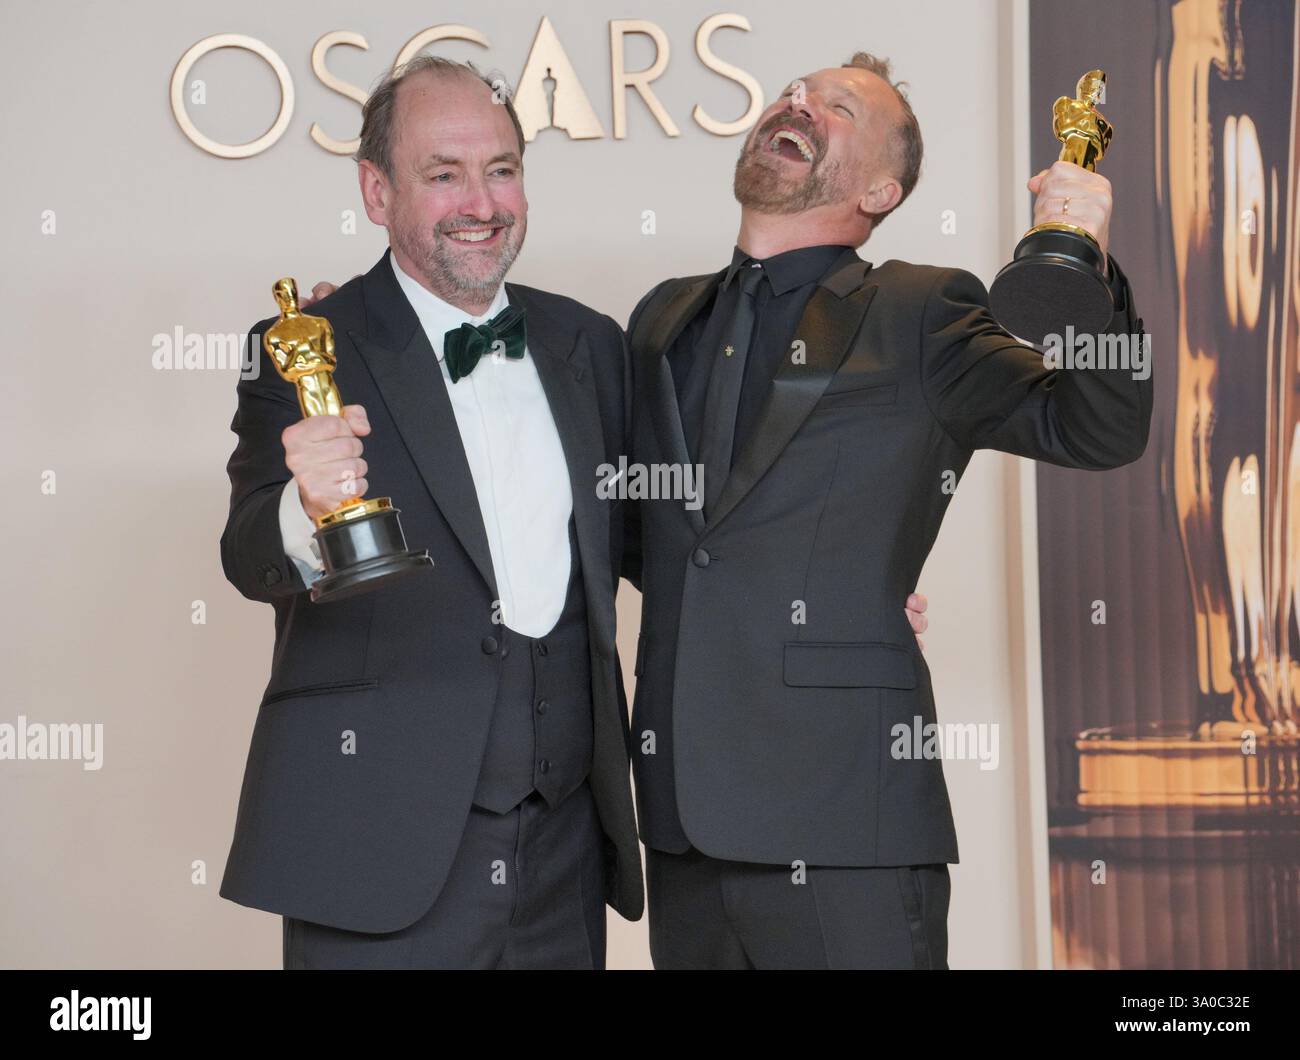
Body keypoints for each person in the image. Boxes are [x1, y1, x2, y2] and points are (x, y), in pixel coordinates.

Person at [621, 52, 1150, 968]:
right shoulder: (663, 317)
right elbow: (648, 536)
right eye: (795, 92)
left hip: (846, 825)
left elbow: (1096, 426)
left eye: (837, 107)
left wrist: (1087, 268)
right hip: (680, 827)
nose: (799, 103)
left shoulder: (921, 310)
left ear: (880, 189)